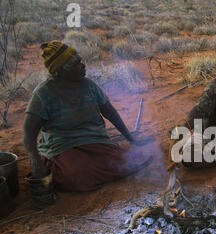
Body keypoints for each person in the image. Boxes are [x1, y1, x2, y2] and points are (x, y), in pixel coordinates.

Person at [23, 41, 152, 192]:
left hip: (94, 140)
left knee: (129, 163)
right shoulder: (43, 94)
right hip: (63, 146)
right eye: (76, 64)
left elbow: (110, 112)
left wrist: (131, 139)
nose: (83, 65)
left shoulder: (88, 85)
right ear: (60, 71)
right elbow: (28, 135)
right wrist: (36, 163)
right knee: (75, 176)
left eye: (81, 61)